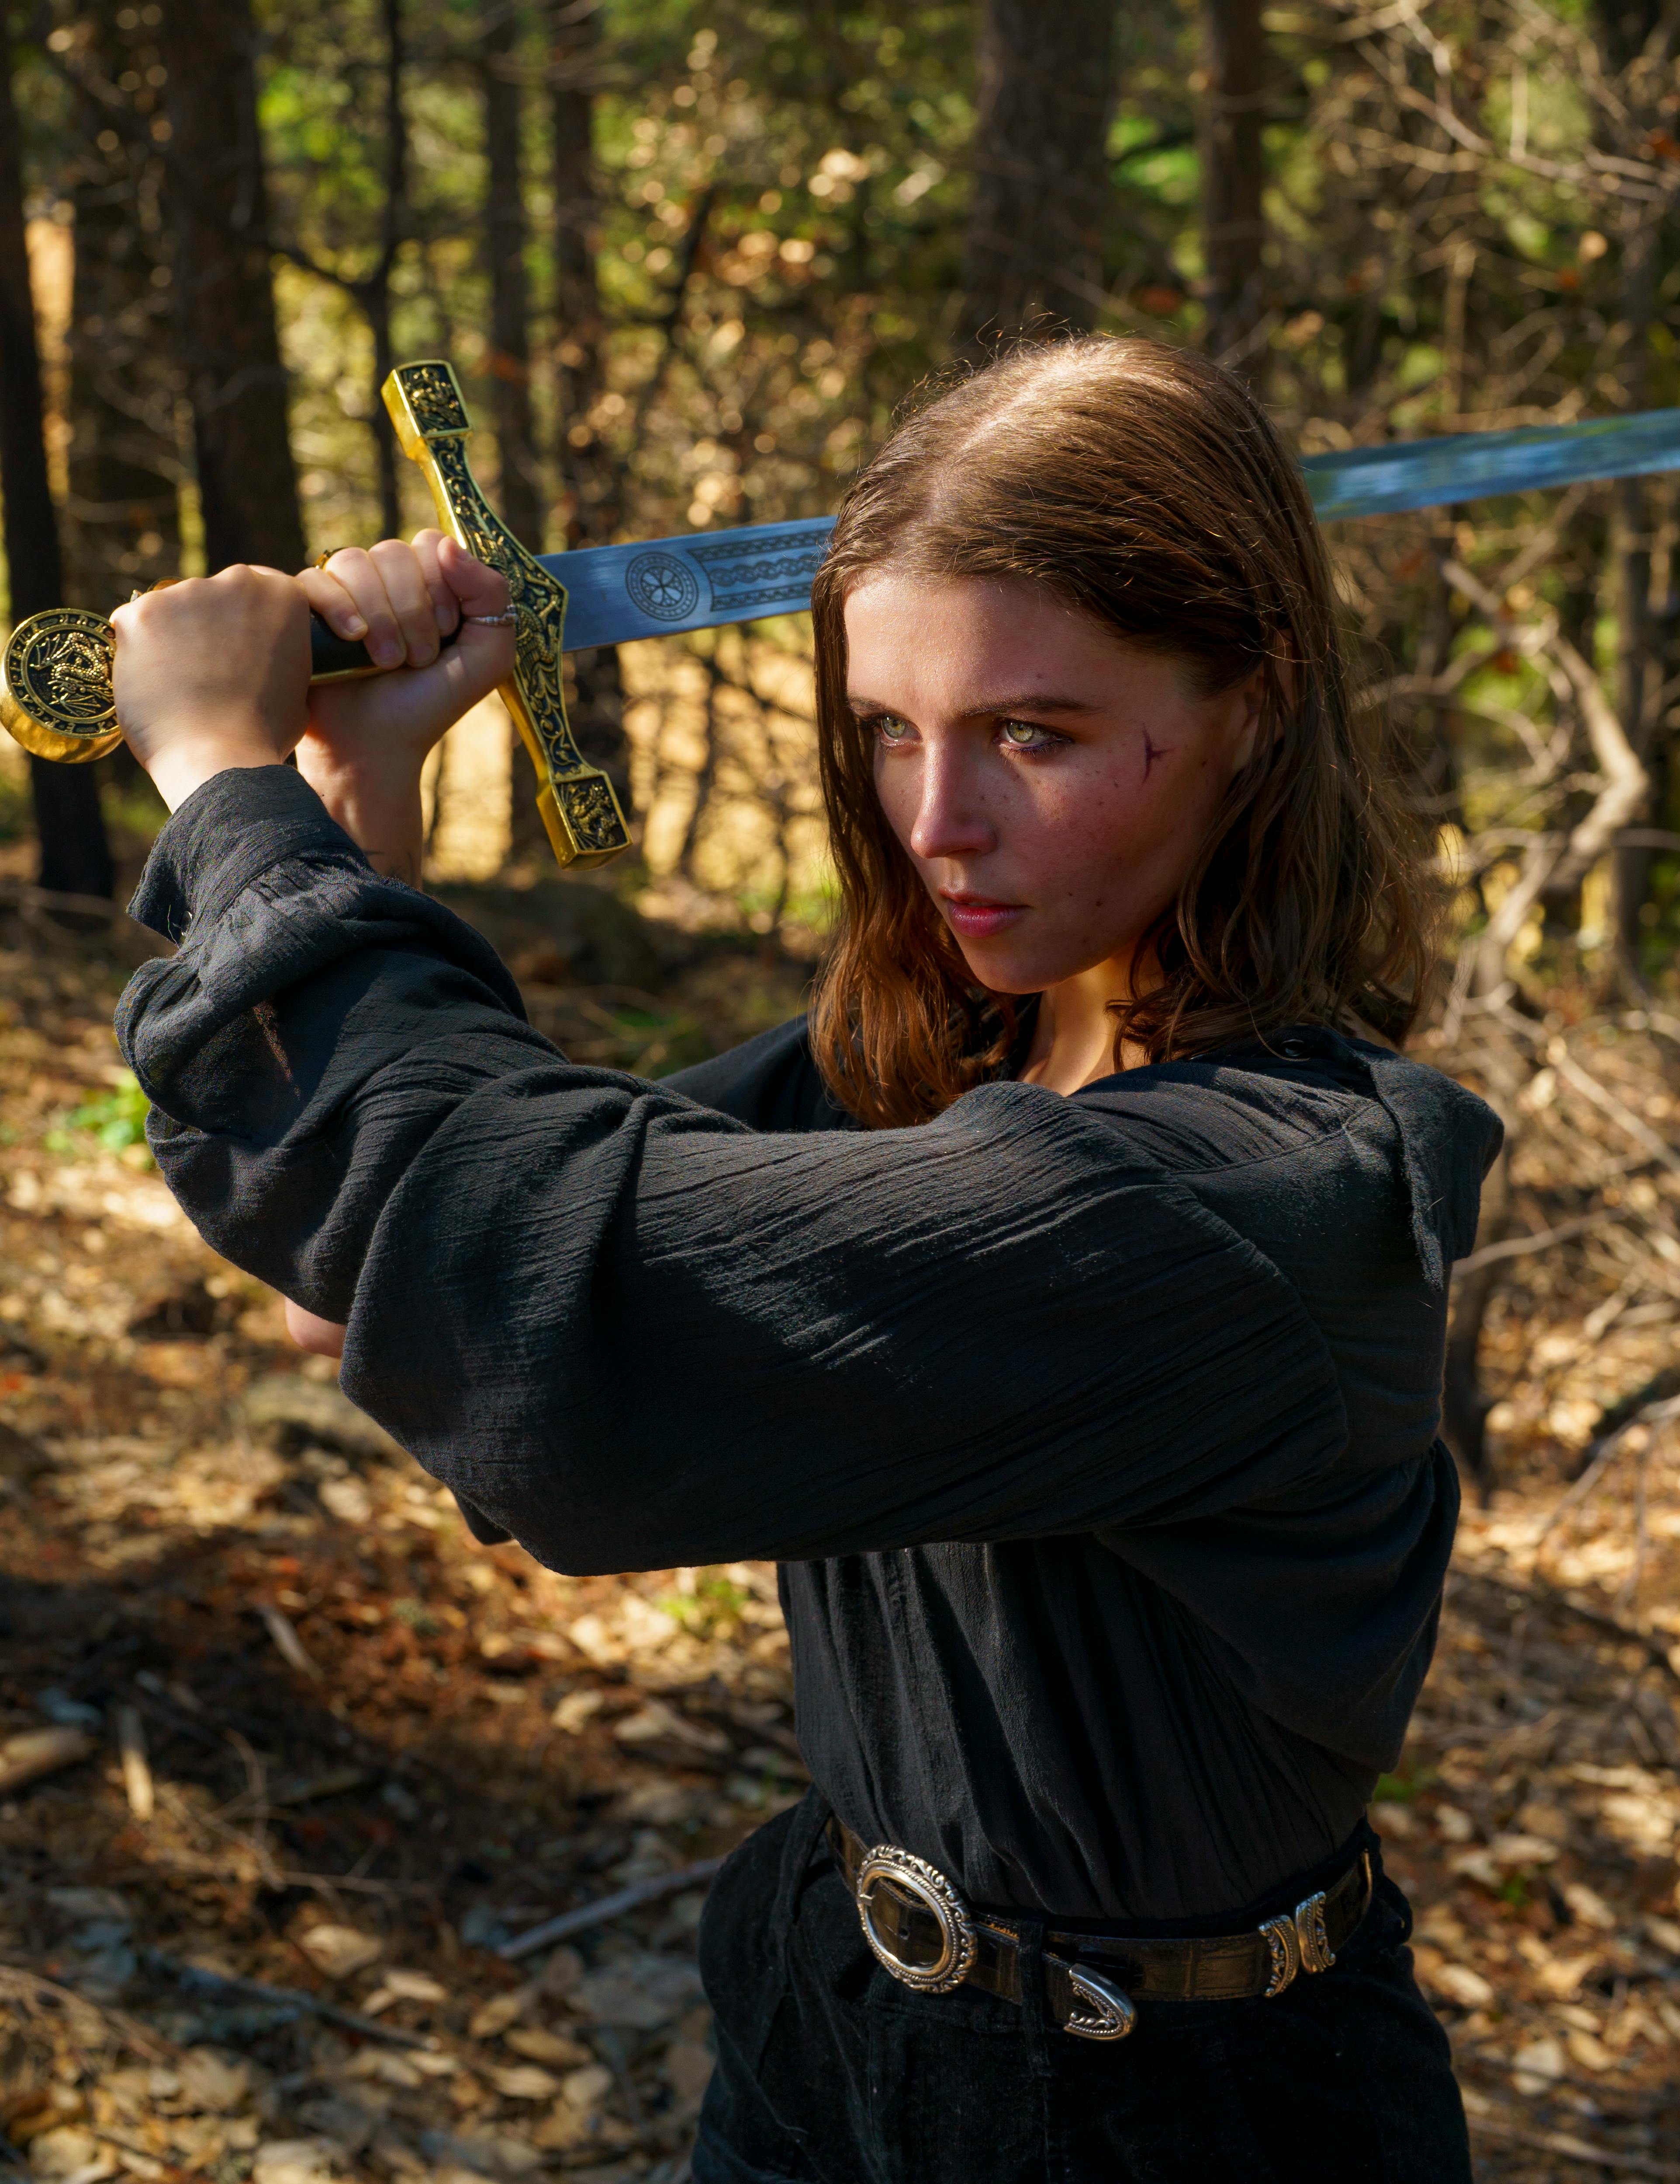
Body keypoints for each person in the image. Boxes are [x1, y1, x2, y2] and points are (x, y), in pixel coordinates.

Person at [109, 338, 1499, 2184]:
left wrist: (221, 783)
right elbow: (381, 1275)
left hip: (1171, 2112)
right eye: (885, 730)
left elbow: (537, 1283)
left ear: (1254, 705)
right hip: (832, 2009)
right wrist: (354, 777)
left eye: (1034, 733)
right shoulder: (933, 1062)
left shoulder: (1248, 1198)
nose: (937, 823)